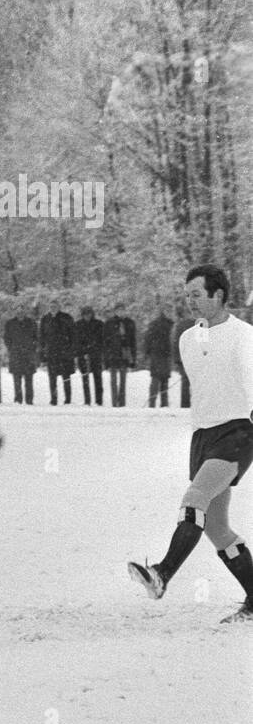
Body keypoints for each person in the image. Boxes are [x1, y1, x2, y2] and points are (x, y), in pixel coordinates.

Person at [128, 265, 253, 623]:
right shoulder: (186, 338)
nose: (190, 302)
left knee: (194, 500)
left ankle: (162, 574)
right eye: (186, 296)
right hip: (203, 436)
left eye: (197, 294)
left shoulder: (244, 336)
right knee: (216, 528)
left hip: (238, 433)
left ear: (218, 295)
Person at [40, 303, 75, 405]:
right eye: (51, 306)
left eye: (55, 306)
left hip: (65, 352)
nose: (53, 308)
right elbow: (42, 337)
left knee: (66, 377)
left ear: (59, 307)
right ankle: (53, 399)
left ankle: (68, 399)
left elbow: (73, 334)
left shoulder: (66, 317)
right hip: (51, 353)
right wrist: (42, 354)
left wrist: (71, 350)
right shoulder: (45, 319)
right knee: (52, 378)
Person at [4, 306, 39, 404]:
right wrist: (11, 348)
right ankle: (18, 399)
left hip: (28, 355)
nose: (20, 314)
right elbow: (7, 338)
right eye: (18, 312)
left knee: (29, 379)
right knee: (17, 379)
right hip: (15, 354)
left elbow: (36, 337)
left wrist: (32, 348)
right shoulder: (10, 323)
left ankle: (29, 400)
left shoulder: (31, 323)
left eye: (22, 312)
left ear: (25, 312)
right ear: (15, 313)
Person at [102, 304, 136, 407]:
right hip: (113, 354)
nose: (121, 312)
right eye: (119, 310)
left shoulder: (130, 323)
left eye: (122, 310)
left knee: (123, 381)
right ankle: (114, 402)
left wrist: (133, 358)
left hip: (124, 354)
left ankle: (122, 403)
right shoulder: (109, 323)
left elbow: (133, 342)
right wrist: (106, 358)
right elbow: (105, 342)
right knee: (113, 381)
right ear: (115, 311)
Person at [72, 305, 105, 406]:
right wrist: (79, 353)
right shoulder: (78, 324)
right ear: (82, 315)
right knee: (85, 379)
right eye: (85, 314)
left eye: (89, 314)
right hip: (83, 355)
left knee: (98, 378)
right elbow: (76, 341)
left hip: (96, 354)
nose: (87, 316)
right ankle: (87, 400)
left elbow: (102, 340)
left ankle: (99, 401)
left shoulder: (99, 324)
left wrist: (98, 350)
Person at [144, 305, 174, 407]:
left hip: (156, 355)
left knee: (156, 379)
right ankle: (163, 403)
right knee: (163, 380)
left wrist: (147, 353)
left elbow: (147, 339)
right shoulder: (169, 325)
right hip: (164, 355)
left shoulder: (153, 324)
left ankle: (153, 402)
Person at [173, 304, 194, 408]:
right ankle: (194, 405)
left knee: (185, 382)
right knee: (195, 383)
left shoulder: (181, 325)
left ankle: (185, 404)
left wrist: (177, 359)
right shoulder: (200, 324)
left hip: (185, 358)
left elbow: (176, 343)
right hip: (194, 358)